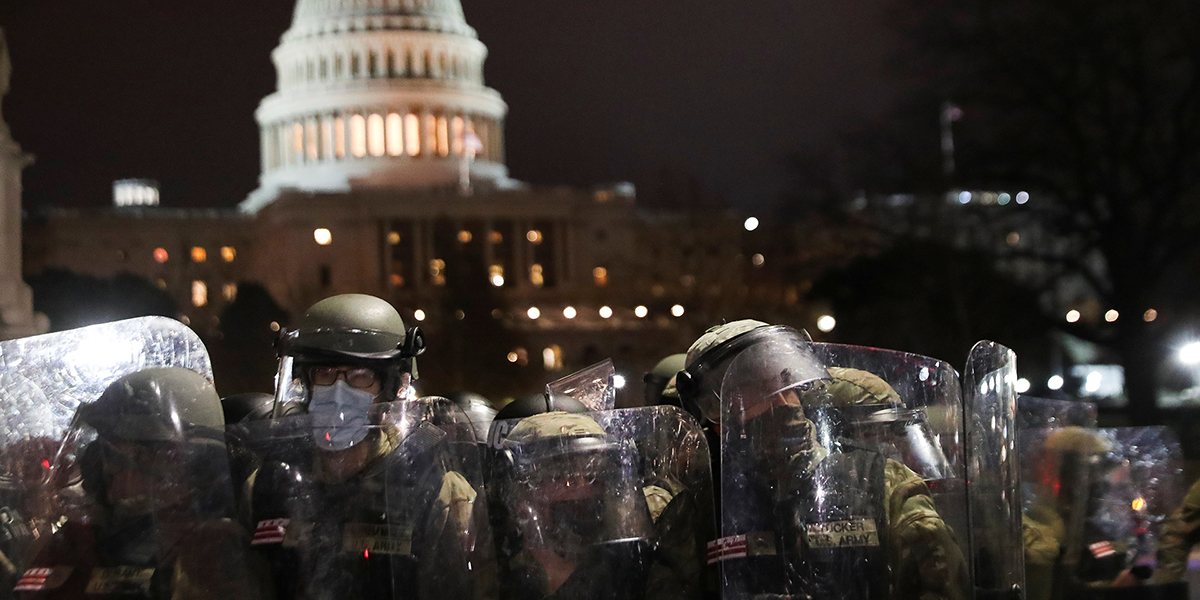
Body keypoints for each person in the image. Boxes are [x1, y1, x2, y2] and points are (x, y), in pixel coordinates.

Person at [677, 319, 968, 600]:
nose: (783, 401)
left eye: (785, 380)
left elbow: (944, 586)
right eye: (758, 390)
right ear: (718, 413)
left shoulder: (883, 484)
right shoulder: (697, 507)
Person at [239, 293, 496, 600]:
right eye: (324, 373)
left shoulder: (436, 490)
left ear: (389, 389)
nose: (338, 392)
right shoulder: (268, 485)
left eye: (360, 376)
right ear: (306, 383)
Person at [16, 367, 263, 600]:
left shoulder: (218, 547)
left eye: (116, 469)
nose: (110, 491)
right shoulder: (86, 538)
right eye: (104, 471)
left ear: (174, 461)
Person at [489, 410, 710, 600]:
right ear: (521, 491)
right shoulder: (498, 572)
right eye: (563, 476)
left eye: (594, 476)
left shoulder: (638, 567)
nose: (583, 488)